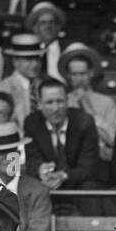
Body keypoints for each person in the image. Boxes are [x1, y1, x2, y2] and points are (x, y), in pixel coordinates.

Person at [24, 78, 105, 206]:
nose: (55, 108)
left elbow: (89, 166)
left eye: (60, 101)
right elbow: (32, 160)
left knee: (90, 187)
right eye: (49, 102)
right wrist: (41, 170)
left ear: (68, 101)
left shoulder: (84, 121)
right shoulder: (31, 123)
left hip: (78, 182)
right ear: (39, 104)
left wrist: (63, 175)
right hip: (46, 182)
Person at [0, 123, 50, 231]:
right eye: (0, 153)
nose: (7, 158)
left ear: (19, 155)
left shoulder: (37, 190)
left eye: (11, 152)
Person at [59, 43, 116, 162]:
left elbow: (114, 140)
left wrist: (87, 108)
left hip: (100, 161)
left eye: (83, 74)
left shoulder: (106, 102)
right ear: (69, 76)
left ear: (91, 73)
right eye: (74, 74)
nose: (79, 79)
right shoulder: (62, 101)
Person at [1, 34, 47, 126]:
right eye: (29, 59)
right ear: (15, 61)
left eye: (37, 59)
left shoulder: (45, 85)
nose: (35, 64)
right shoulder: (4, 88)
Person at [26, 2, 66, 79]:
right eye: (43, 23)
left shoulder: (67, 50)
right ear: (34, 27)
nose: (48, 27)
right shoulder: (28, 51)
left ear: (58, 27)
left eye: (51, 22)